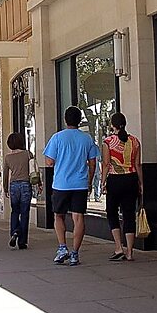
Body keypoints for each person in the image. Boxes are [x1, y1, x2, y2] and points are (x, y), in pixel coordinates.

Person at [43, 106, 99, 266]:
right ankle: (75, 253)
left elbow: (49, 161)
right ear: (80, 120)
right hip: (80, 184)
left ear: (65, 119)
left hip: (61, 184)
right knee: (78, 217)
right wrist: (89, 180)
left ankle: (62, 248)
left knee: (58, 215)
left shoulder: (57, 138)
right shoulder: (87, 138)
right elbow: (93, 162)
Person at [101, 112, 143, 261]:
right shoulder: (135, 141)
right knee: (129, 214)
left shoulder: (108, 142)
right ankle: (130, 251)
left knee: (111, 212)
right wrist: (141, 183)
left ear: (112, 125)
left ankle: (119, 247)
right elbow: (137, 165)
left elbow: (106, 164)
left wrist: (102, 181)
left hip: (114, 180)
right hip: (131, 179)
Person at [3, 132, 33, 250]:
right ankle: (22, 241)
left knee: (15, 211)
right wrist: (39, 183)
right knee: (25, 213)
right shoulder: (27, 154)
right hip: (26, 184)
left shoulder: (8, 157)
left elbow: (5, 174)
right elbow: (33, 169)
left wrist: (5, 188)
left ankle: (14, 231)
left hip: (13, 186)